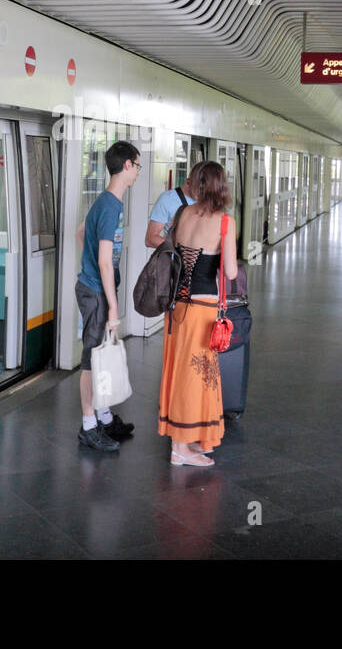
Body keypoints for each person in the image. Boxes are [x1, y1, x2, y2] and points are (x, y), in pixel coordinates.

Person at [159, 162, 237, 466]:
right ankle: (180, 448)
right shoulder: (224, 222)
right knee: (196, 377)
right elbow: (230, 271)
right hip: (203, 309)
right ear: (221, 187)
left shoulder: (182, 214)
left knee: (179, 371)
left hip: (176, 306)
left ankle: (185, 438)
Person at [74, 140, 142, 452]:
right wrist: (113, 307)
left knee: (101, 355)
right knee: (92, 359)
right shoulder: (111, 205)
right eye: (137, 166)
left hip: (95, 288)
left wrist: (91, 261)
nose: (138, 171)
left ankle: (102, 416)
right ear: (127, 165)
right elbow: (104, 261)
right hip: (96, 293)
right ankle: (88, 426)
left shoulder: (106, 201)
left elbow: (81, 233)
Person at [145, 161, 206, 248]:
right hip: (178, 255)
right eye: (200, 189)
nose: (203, 194)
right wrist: (181, 248)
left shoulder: (208, 199)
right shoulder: (167, 199)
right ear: (189, 181)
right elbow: (150, 239)